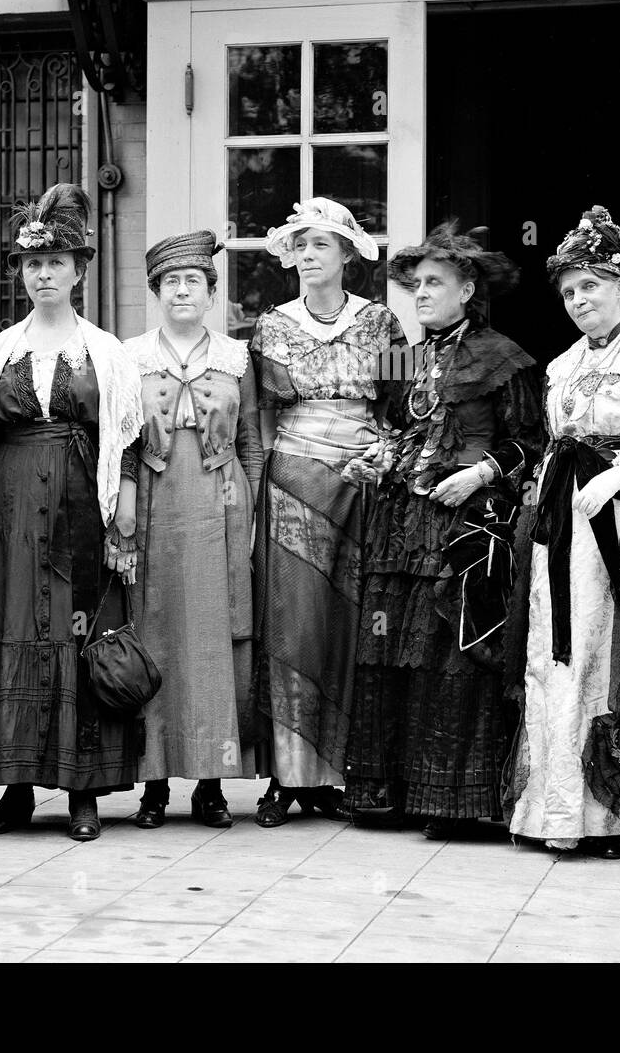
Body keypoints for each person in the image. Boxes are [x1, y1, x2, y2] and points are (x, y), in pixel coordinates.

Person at [0, 184, 143, 842]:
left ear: (80, 270)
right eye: (32, 264)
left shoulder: (106, 352)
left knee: (74, 632)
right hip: (6, 511)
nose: (43, 275)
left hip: (75, 509)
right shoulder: (0, 350)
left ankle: (84, 789)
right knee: (11, 630)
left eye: (56, 263)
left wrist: (124, 523)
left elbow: (127, 440)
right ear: (21, 272)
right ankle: (14, 788)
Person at [346, 224, 543, 839]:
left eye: (434, 284)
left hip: (464, 519)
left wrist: (481, 472)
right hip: (401, 519)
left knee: (446, 646)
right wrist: (376, 459)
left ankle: (454, 800)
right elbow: (399, 429)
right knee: (392, 647)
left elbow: (530, 443)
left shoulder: (502, 355)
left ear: (468, 289)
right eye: (416, 285)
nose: (422, 294)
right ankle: (394, 793)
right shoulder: (403, 354)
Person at [502, 209, 620, 855]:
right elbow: (554, 443)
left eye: (591, 286)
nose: (579, 300)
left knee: (614, 654)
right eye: (570, 290)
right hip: (561, 526)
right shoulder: (560, 365)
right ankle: (552, 809)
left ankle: (611, 816)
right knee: (554, 657)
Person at [249, 198, 407, 826]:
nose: (309, 256)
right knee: (293, 624)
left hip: (362, 481)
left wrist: (382, 458)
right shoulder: (270, 325)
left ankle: (342, 771)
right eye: (302, 245)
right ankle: (286, 775)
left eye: (322, 245)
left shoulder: (387, 325)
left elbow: (407, 406)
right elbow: (259, 418)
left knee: (352, 624)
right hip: (292, 479)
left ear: (347, 255)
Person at [123, 231, 263, 829]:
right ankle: (153, 784)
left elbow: (253, 443)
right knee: (154, 630)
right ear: (156, 292)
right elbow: (121, 441)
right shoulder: (129, 356)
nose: (182, 291)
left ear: (211, 294)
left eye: (194, 283)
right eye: (170, 283)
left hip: (219, 500)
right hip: (155, 499)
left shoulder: (236, 357)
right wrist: (123, 511)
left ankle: (211, 784)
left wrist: (250, 515)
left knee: (213, 637)